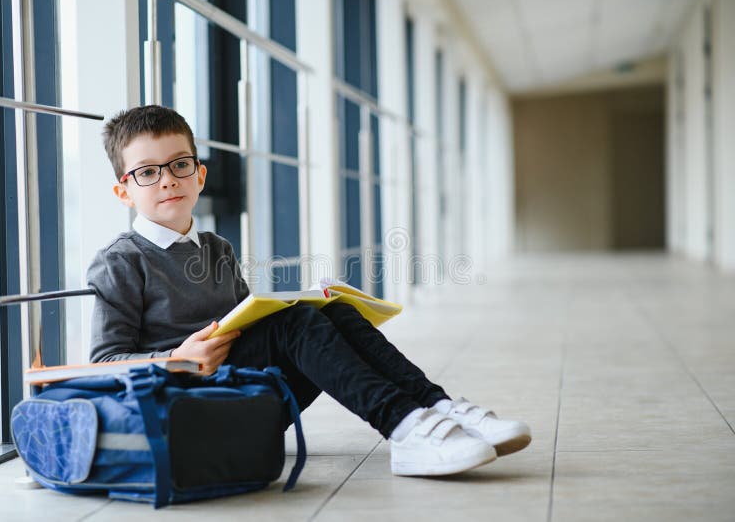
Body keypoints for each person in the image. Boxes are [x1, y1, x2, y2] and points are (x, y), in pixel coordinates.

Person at [88, 105, 531, 477]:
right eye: (147, 172)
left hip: (244, 395)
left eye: (180, 164)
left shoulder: (215, 247)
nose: (167, 180)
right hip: (189, 406)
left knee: (329, 311)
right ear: (123, 192)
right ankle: (404, 426)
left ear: (200, 175)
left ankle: (435, 407)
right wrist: (178, 359)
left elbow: (248, 323)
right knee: (298, 322)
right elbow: (102, 364)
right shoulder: (121, 260)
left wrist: (309, 304)